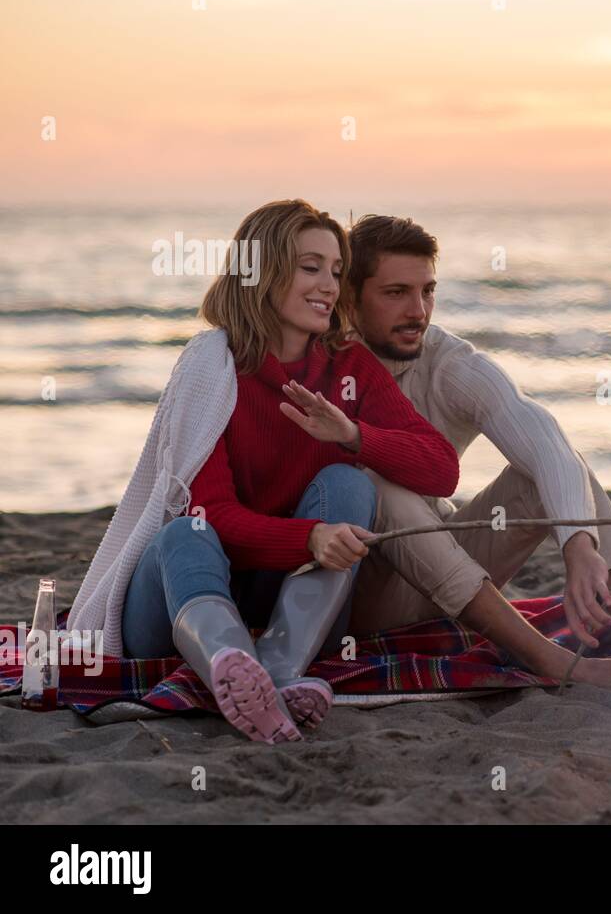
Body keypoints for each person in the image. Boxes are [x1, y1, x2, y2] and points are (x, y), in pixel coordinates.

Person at [68, 199, 460, 743]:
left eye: (337, 271)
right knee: (187, 529)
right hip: (180, 602)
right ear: (262, 270)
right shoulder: (213, 367)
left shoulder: (349, 365)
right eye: (310, 267)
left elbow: (442, 470)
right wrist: (311, 538)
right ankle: (232, 661)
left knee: (347, 483)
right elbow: (214, 513)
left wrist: (353, 434)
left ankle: (273, 671)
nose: (329, 285)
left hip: (294, 606)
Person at [338, 215, 611, 692]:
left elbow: (545, 442)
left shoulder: (448, 362)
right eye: (395, 293)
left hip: (438, 587)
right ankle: (559, 665)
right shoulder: (321, 361)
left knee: (557, 467)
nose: (418, 311)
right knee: (380, 487)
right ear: (350, 296)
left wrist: (577, 544)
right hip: (350, 600)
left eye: (428, 291)